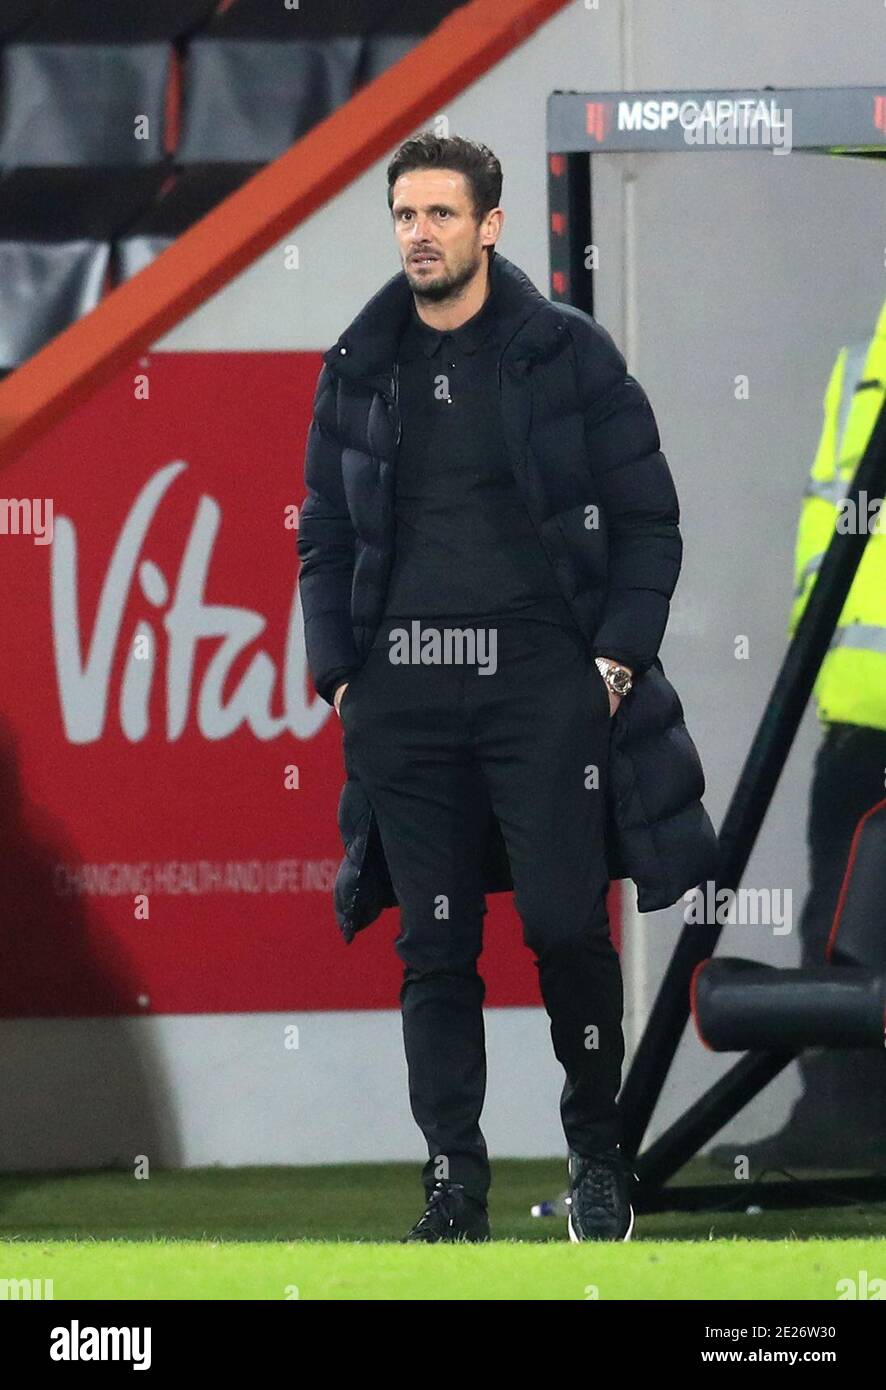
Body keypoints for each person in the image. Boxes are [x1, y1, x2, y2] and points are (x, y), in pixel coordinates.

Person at [298, 132, 685, 1241]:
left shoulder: (569, 355)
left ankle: (598, 1158)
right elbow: (324, 534)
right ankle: (452, 1186)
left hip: (543, 692)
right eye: (405, 216)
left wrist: (611, 664)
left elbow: (648, 520)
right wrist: (340, 681)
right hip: (403, 702)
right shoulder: (358, 364)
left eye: (439, 215)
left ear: (490, 226)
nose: (418, 234)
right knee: (433, 944)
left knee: (568, 928)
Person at [711, 300, 886, 1172]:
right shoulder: (856, 367)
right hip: (858, 713)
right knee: (840, 930)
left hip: (857, 707)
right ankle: (842, 1123)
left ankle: (844, 1124)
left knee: (845, 929)